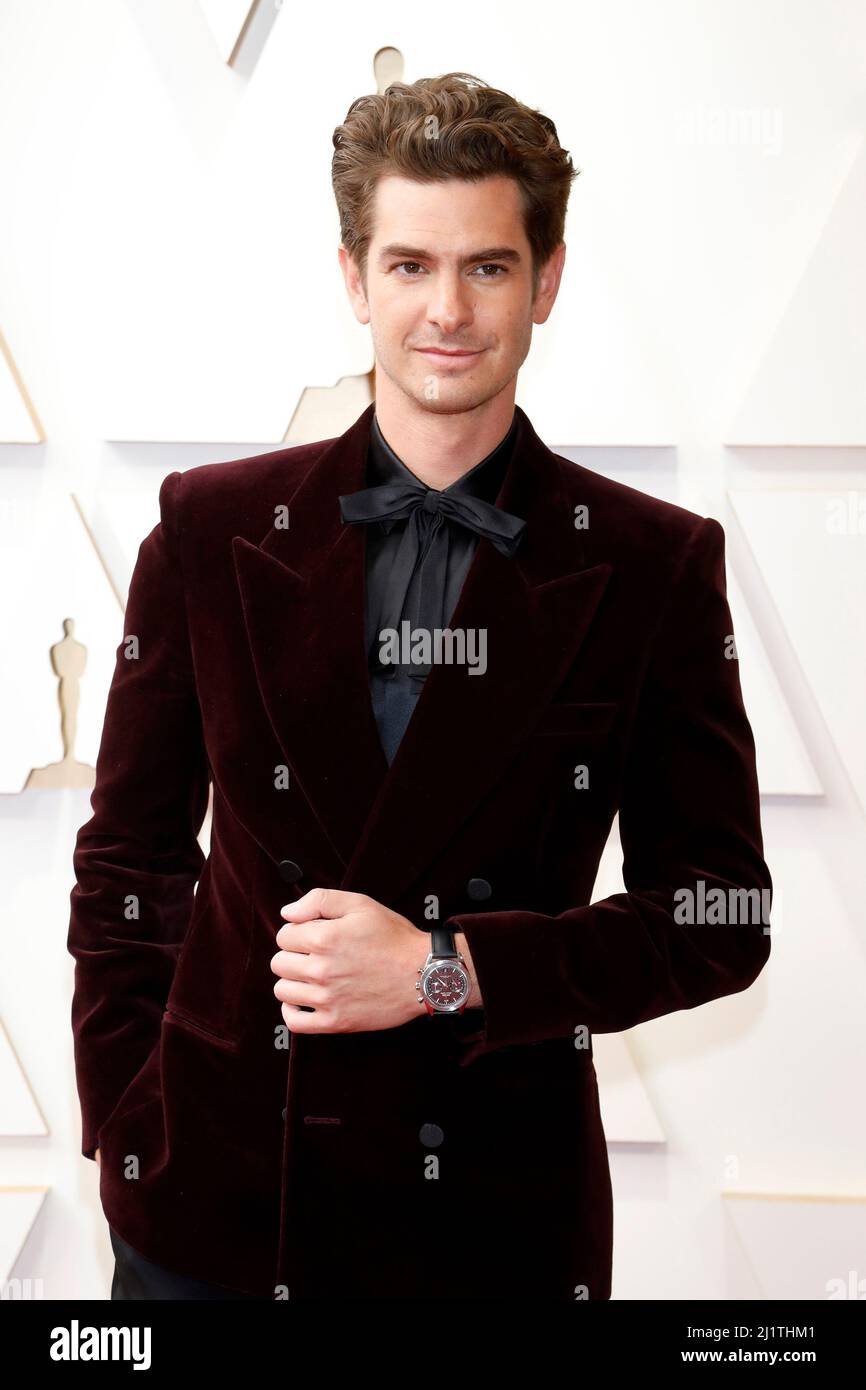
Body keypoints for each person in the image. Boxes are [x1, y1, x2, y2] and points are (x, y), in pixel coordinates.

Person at [69, 72, 771, 1301]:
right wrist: (128, 1130)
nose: (446, 309)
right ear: (352, 278)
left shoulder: (652, 566)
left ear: (545, 279)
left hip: (491, 1229)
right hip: (216, 1216)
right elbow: (128, 860)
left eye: (487, 267)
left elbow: (721, 914)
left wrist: (445, 966)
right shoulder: (209, 528)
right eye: (407, 266)